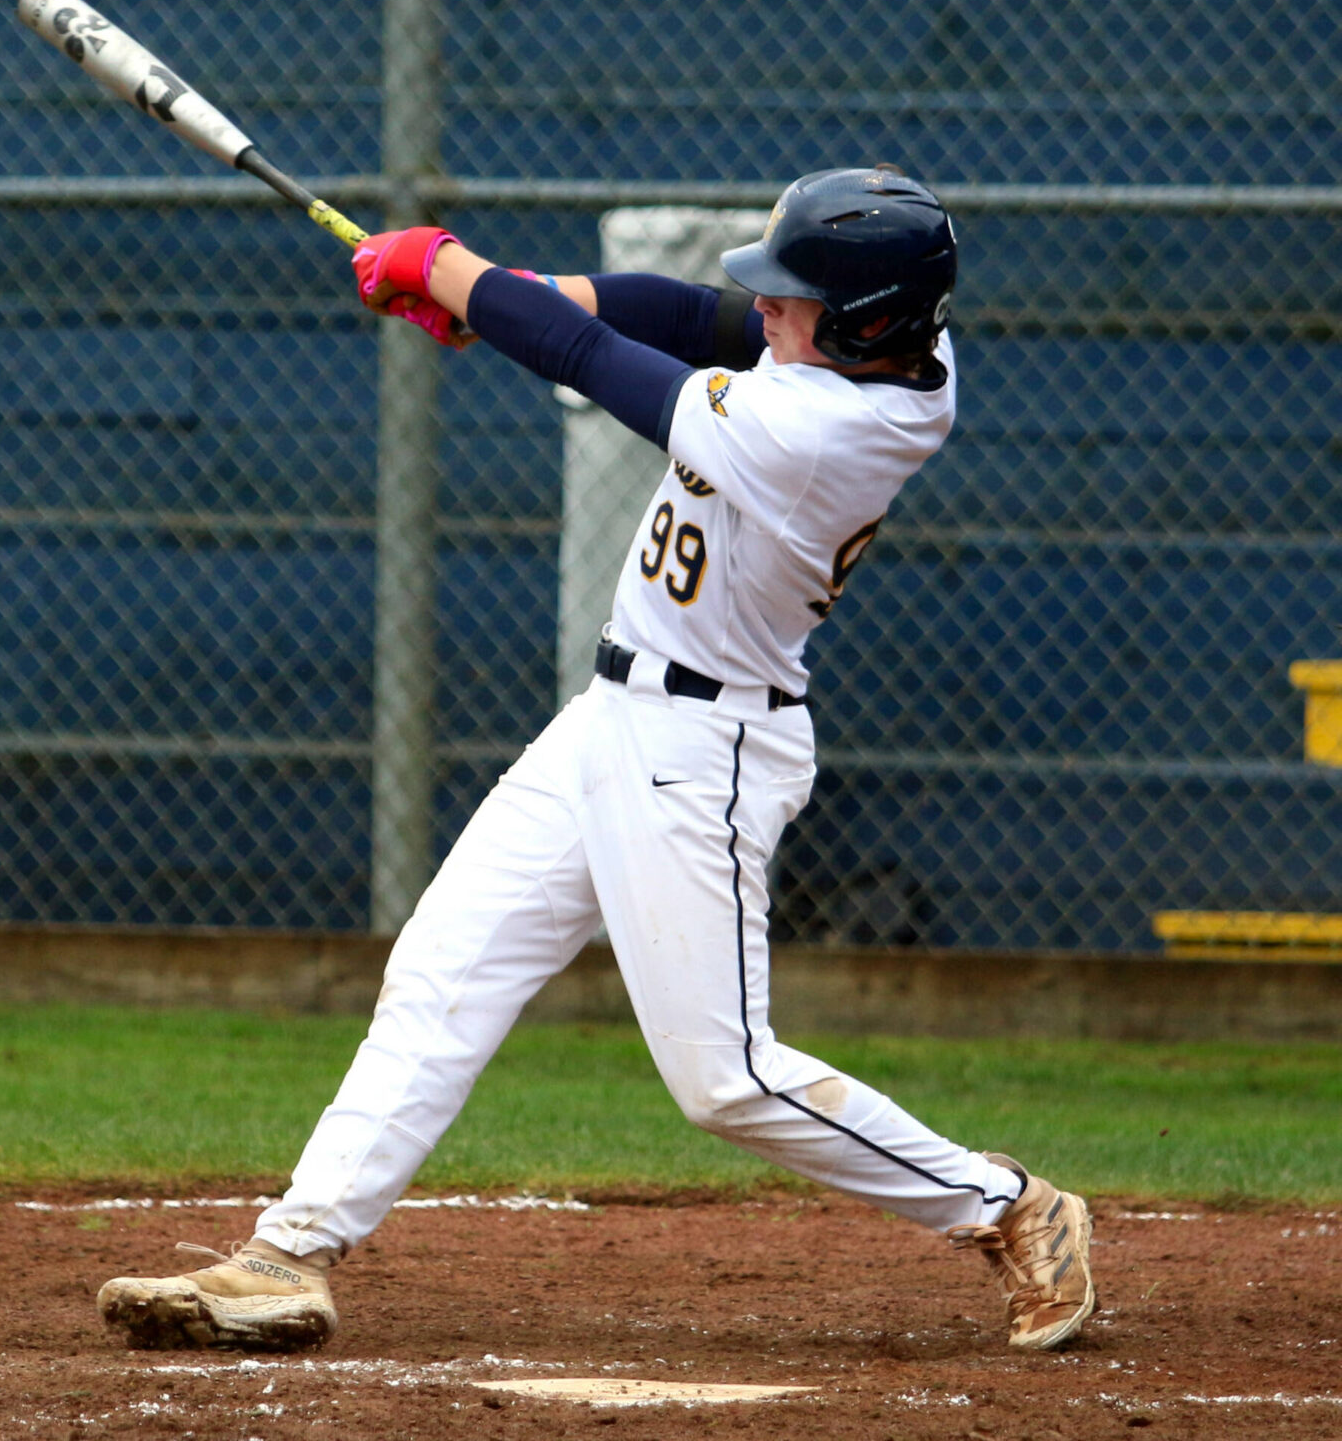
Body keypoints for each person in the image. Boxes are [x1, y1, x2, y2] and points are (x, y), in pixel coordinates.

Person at [95, 165, 1095, 1355]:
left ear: (867, 319)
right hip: (614, 717)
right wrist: (511, 294)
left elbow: (604, 365)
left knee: (723, 1080)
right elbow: (683, 314)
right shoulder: (877, 349)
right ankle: (290, 1254)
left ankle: (1011, 1208)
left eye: (795, 300)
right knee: (442, 972)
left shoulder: (823, 429)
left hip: (706, 750)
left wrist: (452, 271)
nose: (769, 312)